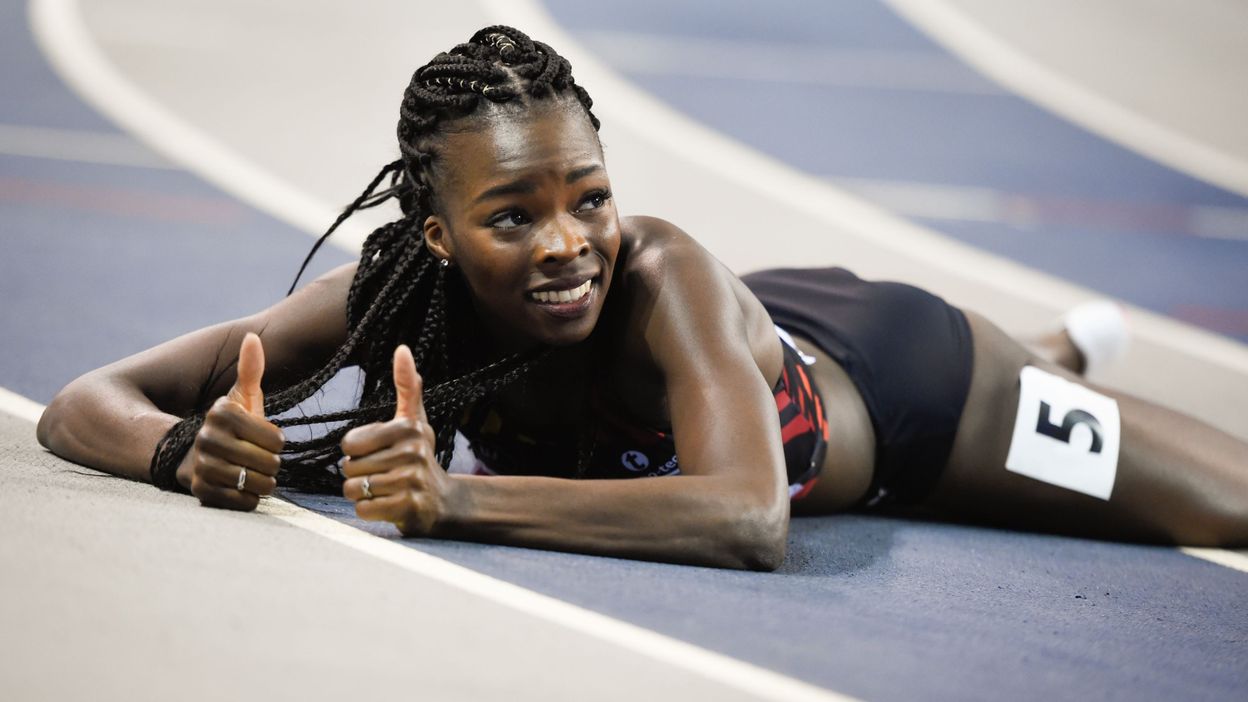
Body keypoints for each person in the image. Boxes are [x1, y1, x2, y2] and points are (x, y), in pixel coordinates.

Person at [36, 26, 1248, 570]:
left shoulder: (657, 272)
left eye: (590, 199)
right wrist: (186, 447)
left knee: (1233, 507)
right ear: (437, 236)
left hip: (930, 393)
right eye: (515, 217)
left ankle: (1039, 360)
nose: (570, 246)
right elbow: (89, 401)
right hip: (762, 337)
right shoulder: (398, 290)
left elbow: (745, 519)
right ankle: (1063, 346)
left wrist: (455, 498)